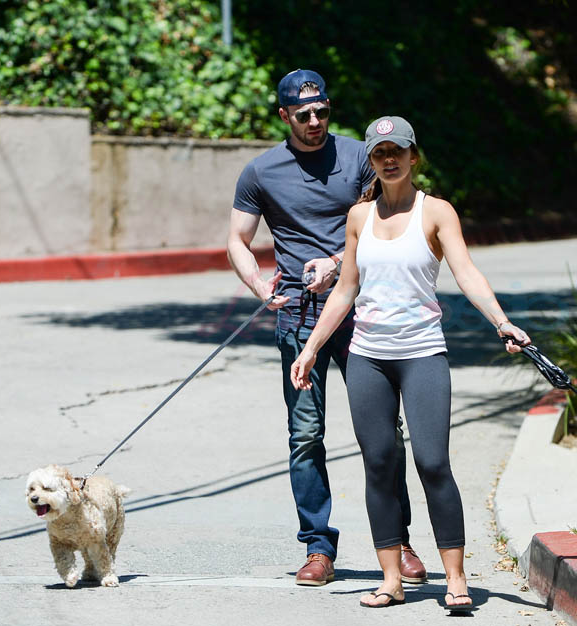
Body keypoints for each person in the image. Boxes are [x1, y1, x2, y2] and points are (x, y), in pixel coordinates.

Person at [289, 115, 531, 609]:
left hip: (422, 353)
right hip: (368, 357)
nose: (389, 160)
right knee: (378, 464)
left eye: (397, 151)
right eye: (380, 154)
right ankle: (391, 580)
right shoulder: (359, 217)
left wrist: (502, 321)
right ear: (372, 162)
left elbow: (466, 272)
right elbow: (346, 289)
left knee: (432, 462)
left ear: (413, 156)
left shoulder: (436, 212)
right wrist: (311, 348)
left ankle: (456, 580)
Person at [226, 70, 426, 587]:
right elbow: (237, 240)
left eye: (322, 111)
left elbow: (385, 220)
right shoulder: (261, 171)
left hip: (363, 312)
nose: (315, 121)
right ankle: (318, 548)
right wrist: (259, 284)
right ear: (284, 116)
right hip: (298, 316)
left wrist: (337, 263)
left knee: (382, 433)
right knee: (305, 435)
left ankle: (399, 541)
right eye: (303, 114)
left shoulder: (359, 156)